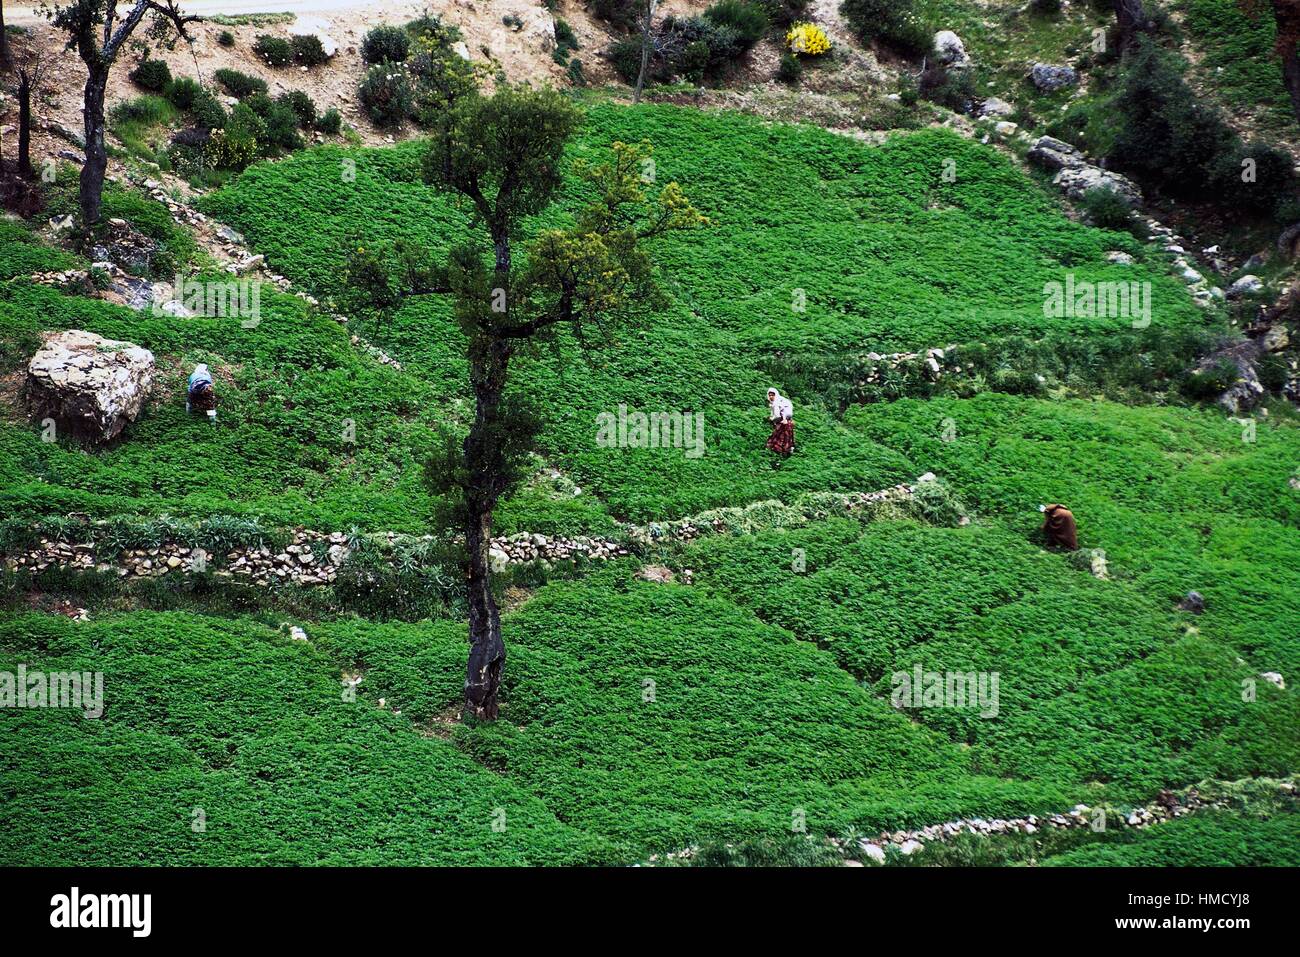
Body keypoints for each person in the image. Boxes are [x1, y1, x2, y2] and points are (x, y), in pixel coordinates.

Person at [766, 387, 794, 457]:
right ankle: (785, 452)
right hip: (787, 421)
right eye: (770, 395)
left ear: (776, 395)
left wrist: (771, 419)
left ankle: (779, 453)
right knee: (785, 438)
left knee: (780, 437)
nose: (771, 397)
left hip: (784, 423)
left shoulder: (776, 403)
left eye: (772, 395)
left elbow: (777, 416)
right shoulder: (780, 400)